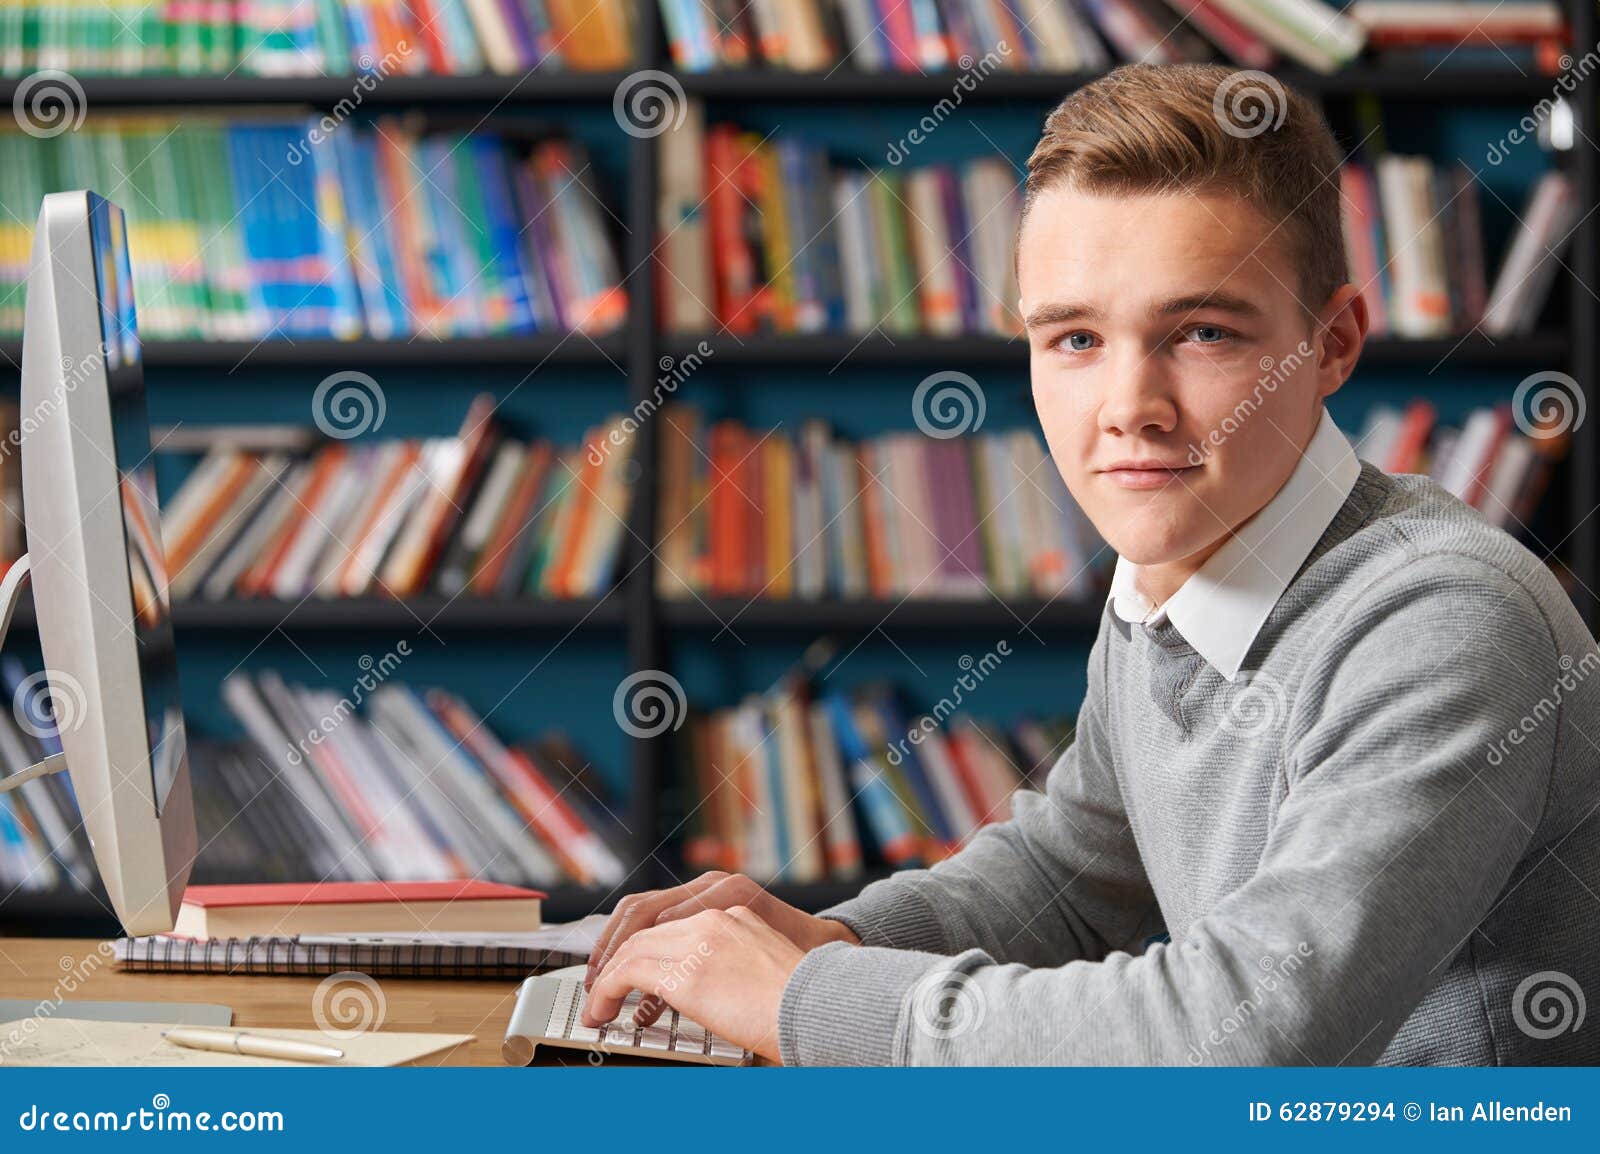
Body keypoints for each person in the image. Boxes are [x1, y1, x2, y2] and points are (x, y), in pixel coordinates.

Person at [581, 62, 1600, 1065]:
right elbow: (1071, 874)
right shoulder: (1182, 561)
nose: (1129, 408)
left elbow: (1237, 1033)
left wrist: (803, 1001)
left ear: (1331, 344)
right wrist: (834, 939)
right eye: (1073, 338)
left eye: (1201, 332)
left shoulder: (1448, 623)